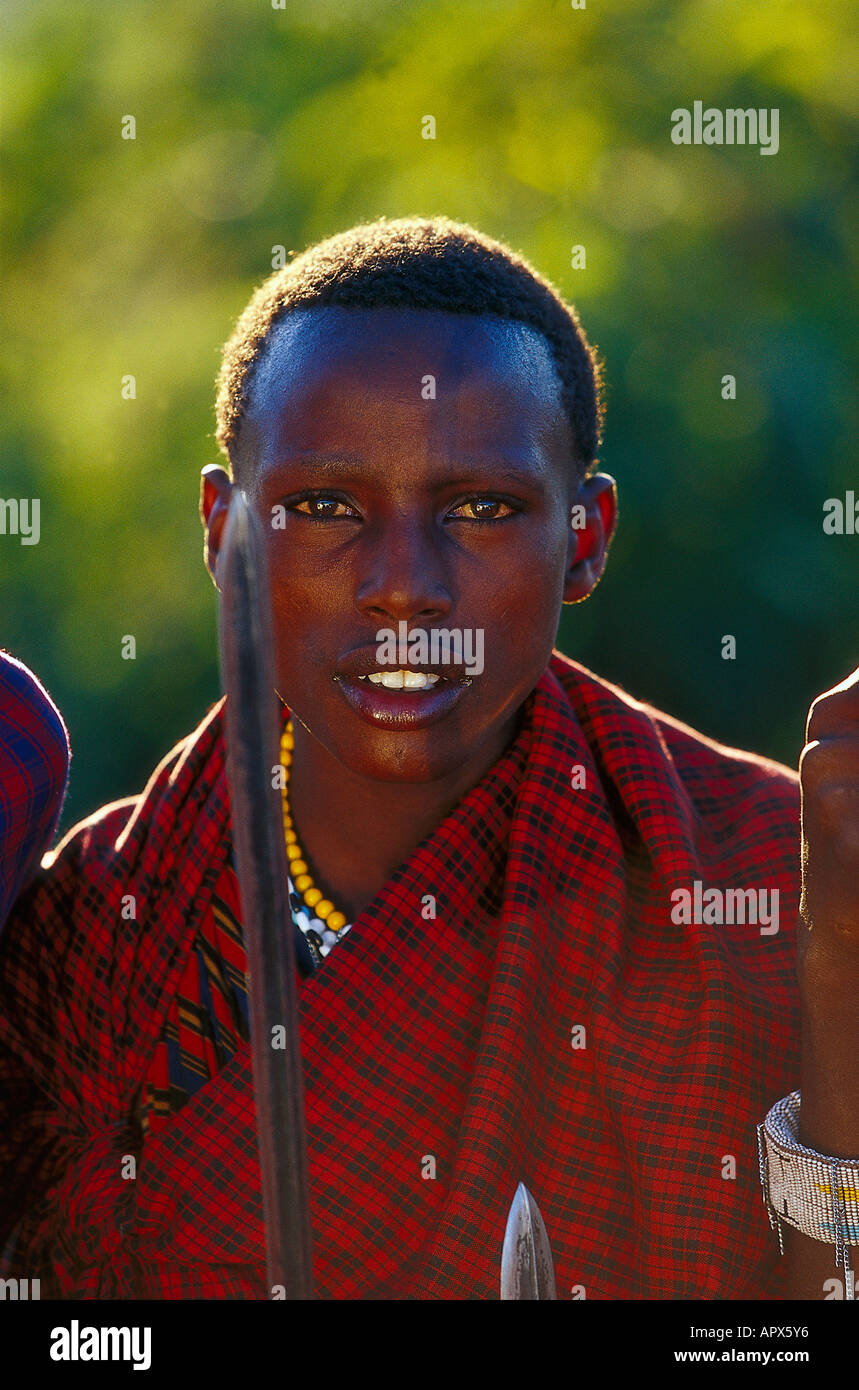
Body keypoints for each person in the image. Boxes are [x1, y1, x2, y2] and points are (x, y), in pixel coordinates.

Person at [1, 216, 856, 1300]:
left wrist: (840, 975)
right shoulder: (93, 930)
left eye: (481, 509)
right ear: (224, 533)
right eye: (322, 507)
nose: (404, 586)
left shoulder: (759, 881)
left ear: (585, 539)